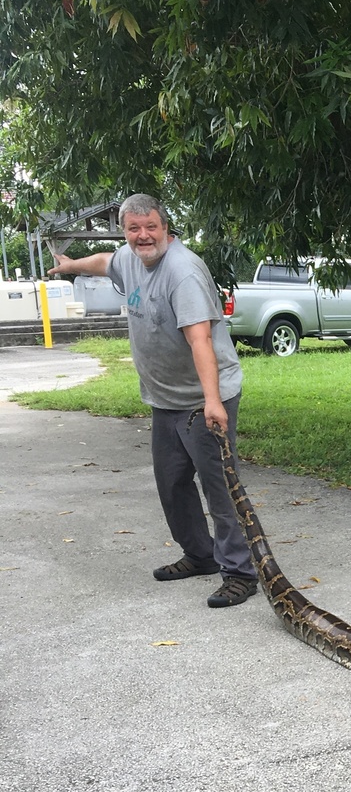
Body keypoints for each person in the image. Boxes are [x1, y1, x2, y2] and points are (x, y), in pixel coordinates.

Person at [50, 193, 259, 607]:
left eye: (151, 227)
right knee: (172, 483)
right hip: (165, 400)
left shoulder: (182, 273)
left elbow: (200, 341)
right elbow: (103, 261)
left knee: (219, 488)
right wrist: (70, 266)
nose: (143, 236)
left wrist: (212, 402)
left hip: (202, 400)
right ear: (126, 231)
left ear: (166, 228)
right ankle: (200, 556)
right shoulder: (130, 258)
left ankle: (240, 573)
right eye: (134, 228)